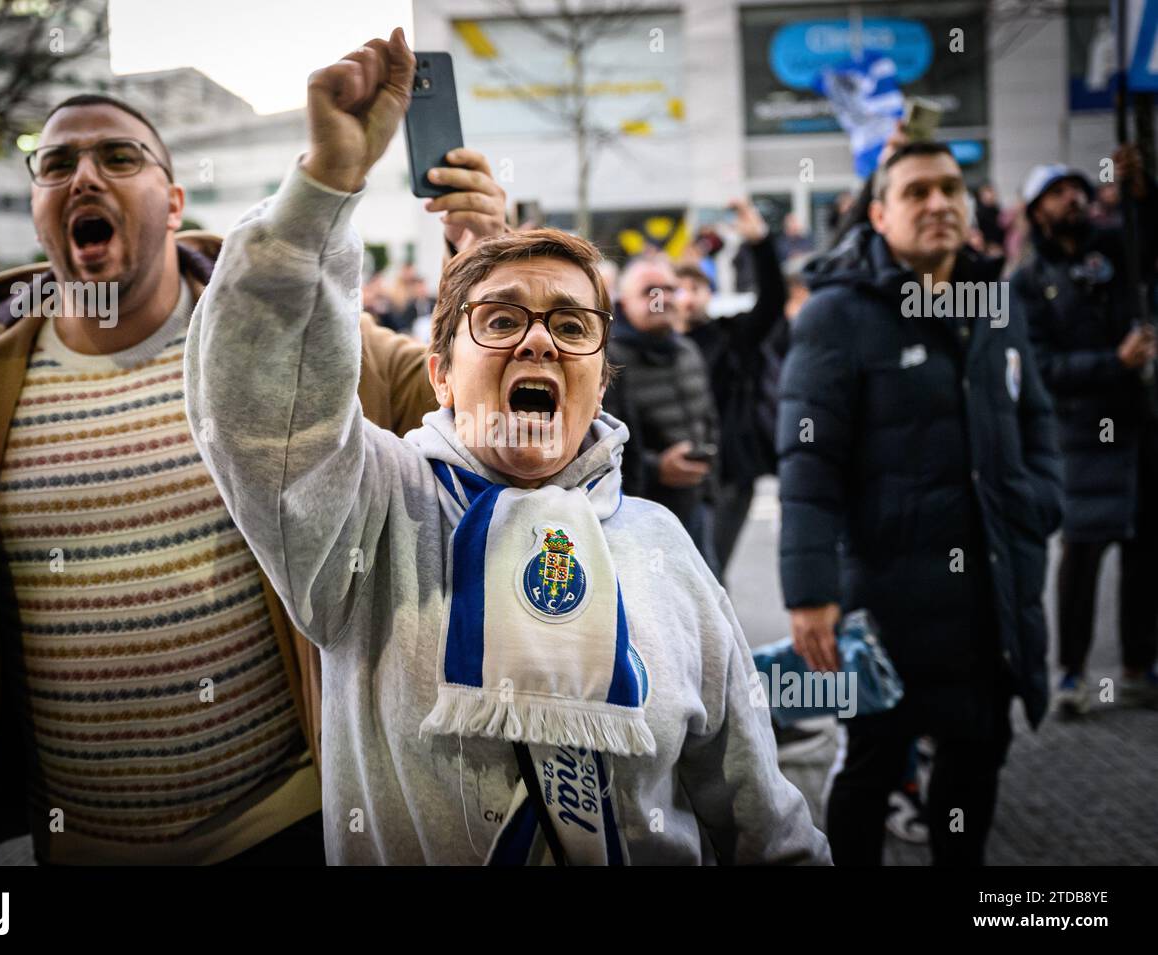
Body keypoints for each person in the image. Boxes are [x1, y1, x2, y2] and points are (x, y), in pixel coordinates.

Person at [185, 28, 830, 866]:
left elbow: (760, 815)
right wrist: (322, 190)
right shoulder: (374, 510)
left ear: (601, 382)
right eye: (499, 321)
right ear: (440, 374)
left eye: (571, 325)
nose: (538, 343)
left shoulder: (666, 547)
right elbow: (261, 399)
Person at [0, 92, 503, 865]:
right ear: (37, 210)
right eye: (55, 164)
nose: (83, 177)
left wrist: (486, 271)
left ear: (172, 203)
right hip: (79, 846)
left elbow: (478, 424)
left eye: (119, 157)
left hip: (294, 822)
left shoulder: (290, 342)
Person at [779, 141, 1063, 866]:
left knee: (976, 757)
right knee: (873, 763)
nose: (938, 203)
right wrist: (809, 593)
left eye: (951, 189)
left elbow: (1034, 413)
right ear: (878, 213)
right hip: (884, 597)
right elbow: (809, 463)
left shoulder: (991, 300)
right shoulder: (837, 314)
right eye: (916, 192)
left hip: (992, 593)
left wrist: (1040, 499)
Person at [1012, 152, 1158, 713]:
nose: (1072, 198)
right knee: (1082, 556)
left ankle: (1139, 665)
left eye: (1077, 189)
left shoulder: (1117, 249)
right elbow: (1041, 369)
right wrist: (1112, 362)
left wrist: (1143, 191)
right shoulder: (1027, 282)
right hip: (1081, 436)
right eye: (1056, 193)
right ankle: (1070, 674)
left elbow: (1151, 237)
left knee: (1145, 551)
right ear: (1036, 209)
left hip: (1141, 426)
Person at [676, 198, 786, 580]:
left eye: (696, 287)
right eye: (679, 288)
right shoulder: (649, 348)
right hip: (676, 477)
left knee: (710, 571)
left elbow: (772, 302)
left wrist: (760, 243)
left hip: (729, 476)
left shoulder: (730, 337)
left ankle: (717, 641)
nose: (688, 297)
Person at [603, 257, 719, 569]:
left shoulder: (687, 351)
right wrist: (657, 469)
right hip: (637, 515)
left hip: (695, 507)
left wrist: (709, 488)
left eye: (670, 289)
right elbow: (599, 446)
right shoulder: (607, 362)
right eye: (650, 291)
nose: (663, 298)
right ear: (623, 303)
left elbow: (708, 421)